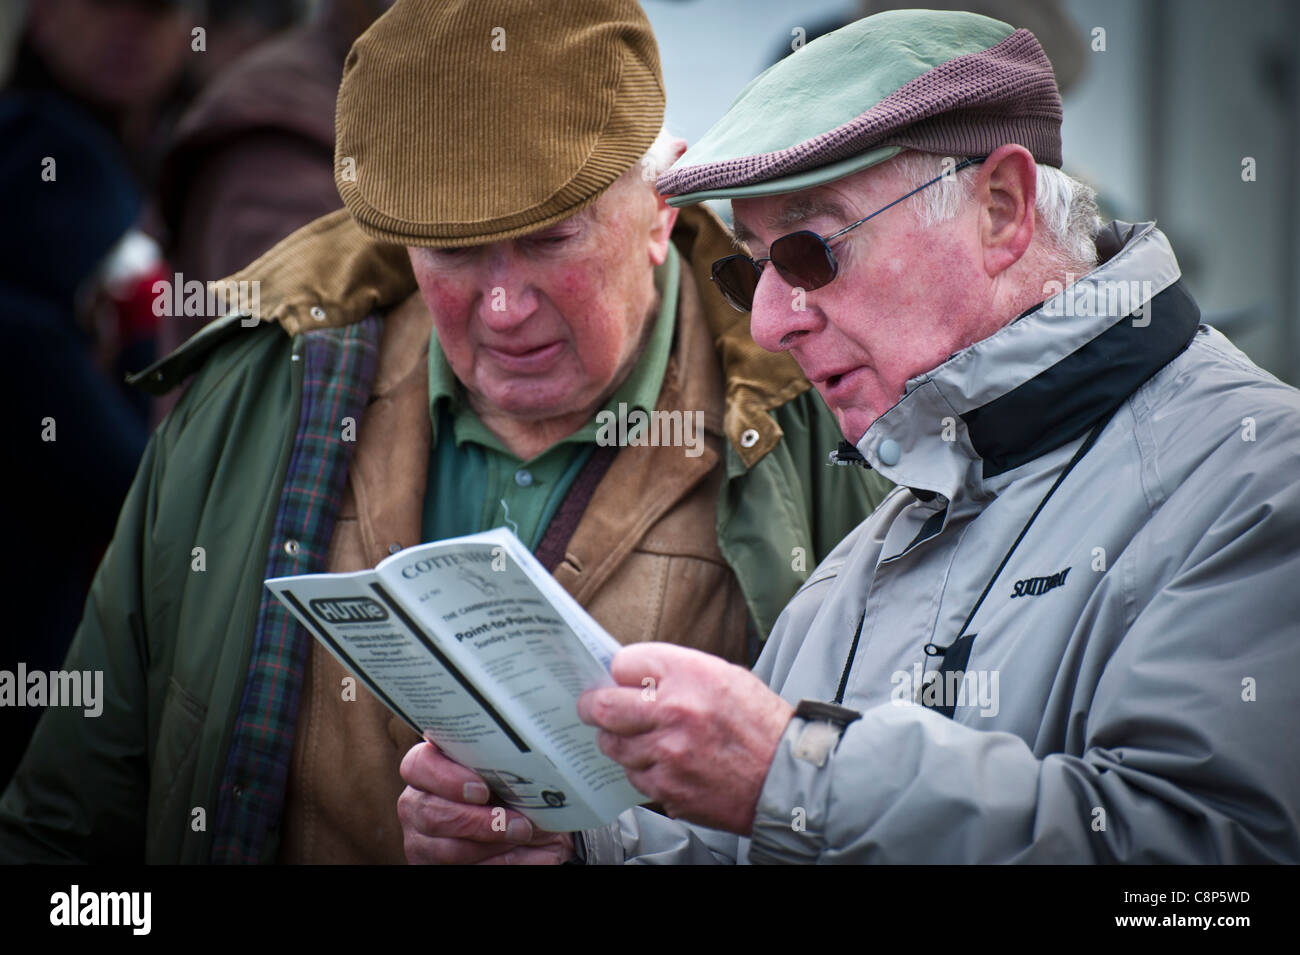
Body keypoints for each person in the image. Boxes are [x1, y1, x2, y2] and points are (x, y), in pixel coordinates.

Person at [397, 9, 1300, 864]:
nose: (768, 324)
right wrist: (578, 846)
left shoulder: (1262, 473)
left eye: (807, 253)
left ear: (1000, 208)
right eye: (748, 268)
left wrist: (792, 772)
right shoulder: (868, 555)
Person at [0, 0, 889, 864]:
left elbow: (889, 817)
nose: (502, 307)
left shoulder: (820, 419)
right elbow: (72, 813)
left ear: (660, 206)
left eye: (550, 239)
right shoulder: (257, 384)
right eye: (453, 251)